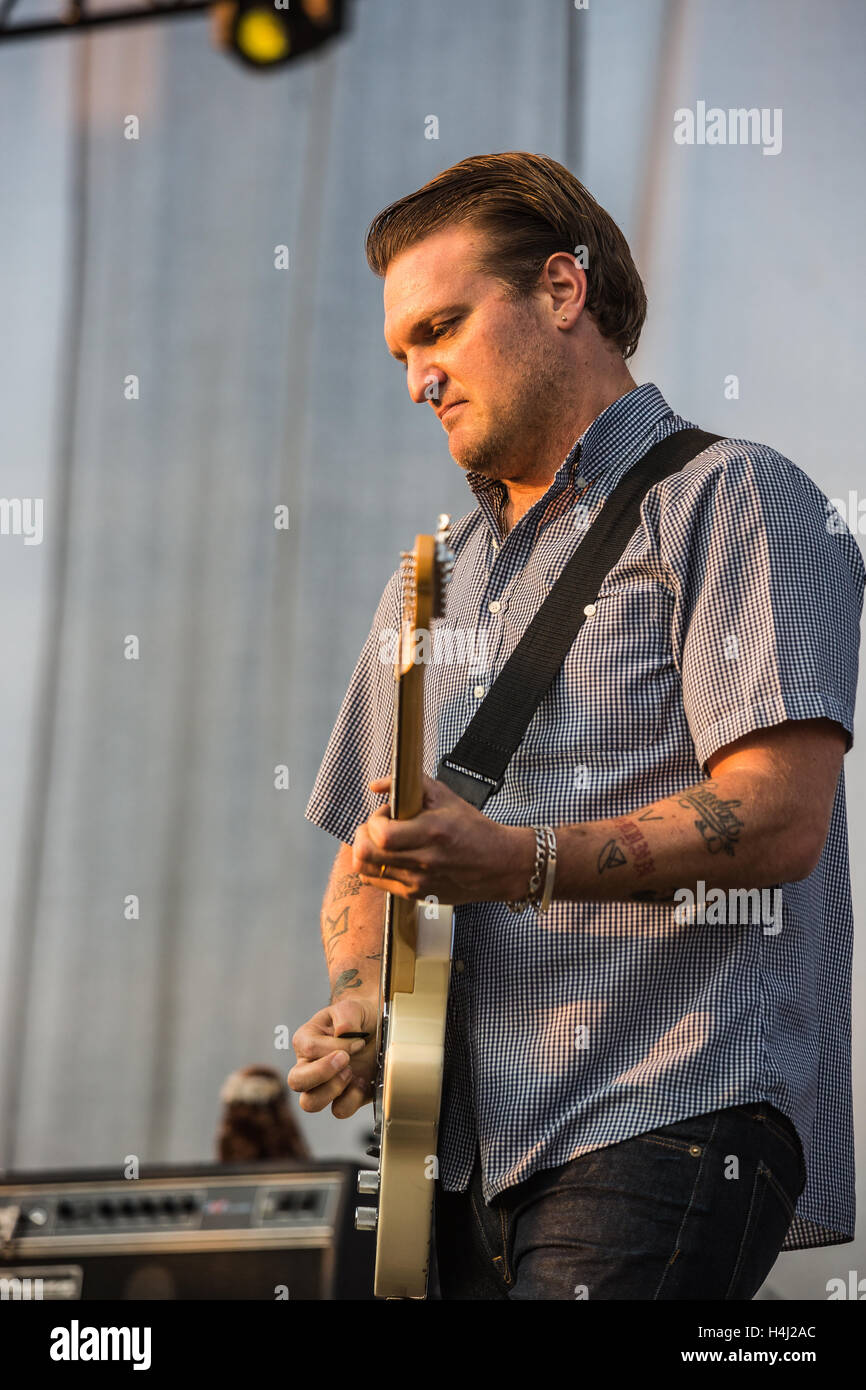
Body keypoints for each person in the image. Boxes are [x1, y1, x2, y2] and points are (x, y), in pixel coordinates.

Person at [288, 152, 864, 1299]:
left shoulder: (733, 495)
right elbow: (366, 863)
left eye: (441, 327)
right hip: (452, 1161)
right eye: (403, 350)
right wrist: (361, 999)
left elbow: (777, 816)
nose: (417, 378)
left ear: (561, 291)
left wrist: (517, 859)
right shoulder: (432, 576)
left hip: (663, 1107)